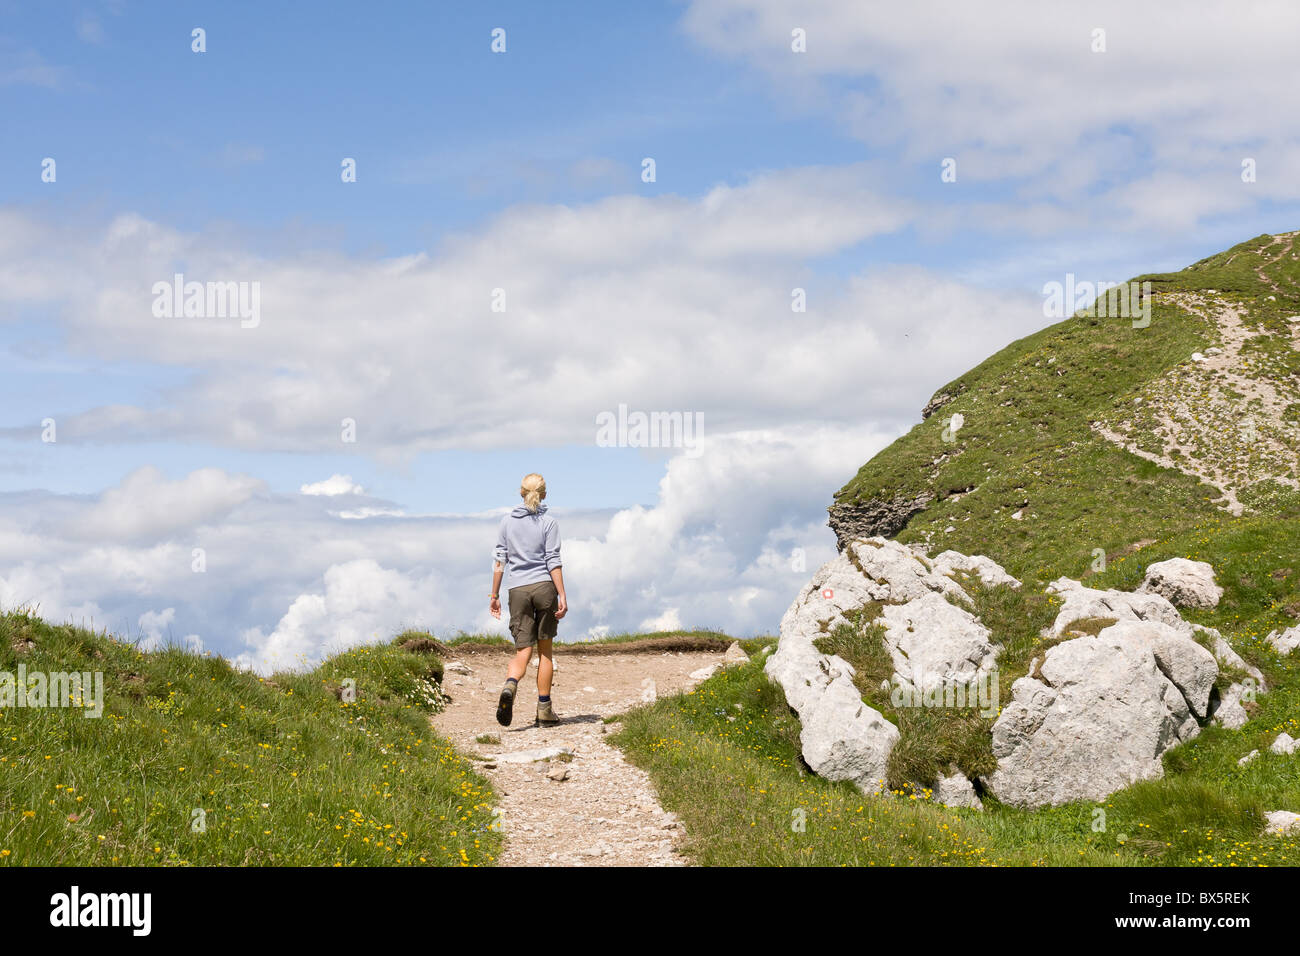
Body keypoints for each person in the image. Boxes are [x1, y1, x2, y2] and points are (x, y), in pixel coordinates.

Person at [489, 473, 567, 727]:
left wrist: (494, 595)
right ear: (544, 494)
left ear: (520, 493)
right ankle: (544, 710)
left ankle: (511, 684)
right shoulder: (549, 522)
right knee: (545, 651)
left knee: (523, 650)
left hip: (517, 590)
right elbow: (552, 561)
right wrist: (562, 594)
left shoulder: (506, 522)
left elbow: (500, 561)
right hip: (544, 587)